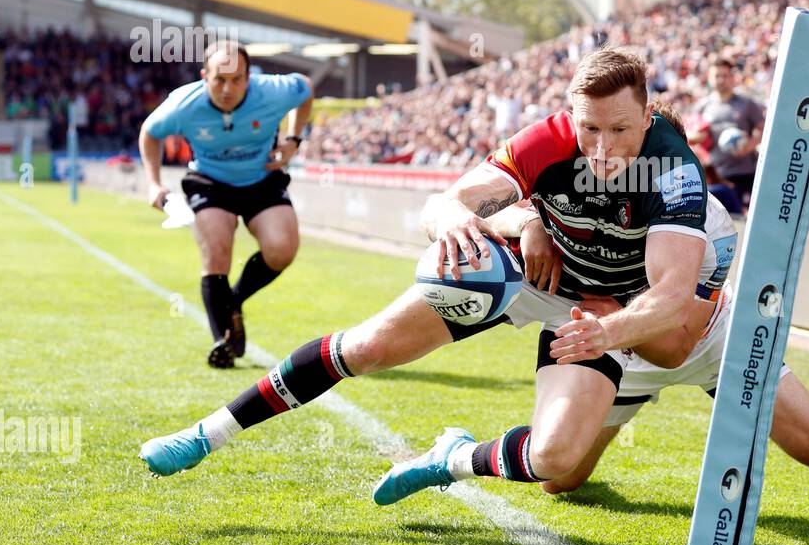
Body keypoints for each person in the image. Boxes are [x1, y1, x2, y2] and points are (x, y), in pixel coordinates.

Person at [377, 112, 809, 532]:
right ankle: (463, 449)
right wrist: (530, 224)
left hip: (699, 339)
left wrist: (616, 325)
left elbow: (677, 327)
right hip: (625, 345)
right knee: (563, 480)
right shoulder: (603, 195)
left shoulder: (695, 215)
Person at [139, 47, 709, 495]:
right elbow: (444, 203)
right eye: (590, 128)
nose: (602, 148)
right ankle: (206, 433)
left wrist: (608, 328)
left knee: (557, 465)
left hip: (601, 312)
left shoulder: (674, 166)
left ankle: (451, 457)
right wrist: (462, 218)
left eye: (620, 130)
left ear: (647, 114)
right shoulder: (549, 139)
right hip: (527, 278)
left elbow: (672, 294)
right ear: (570, 114)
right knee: (366, 348)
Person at [139, 41, 313, 367]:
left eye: (237, 79)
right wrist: (153, 182)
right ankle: (224, 342)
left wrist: (293, 139)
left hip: (262, 178)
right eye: (219, 80)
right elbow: (150, 132)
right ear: (205, 76)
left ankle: (232, 301)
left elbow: (306, 89)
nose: (228, 89)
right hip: (210, 182)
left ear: (249, 77)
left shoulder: (274, 91)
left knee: (282, 249)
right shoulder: (183, 104)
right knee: (217, 250)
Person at [698, 57, 764, 208]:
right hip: (716, 175)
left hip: (744, 173)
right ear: (710, 78)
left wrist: (748, 146)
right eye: (717, 76)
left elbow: (763, 128)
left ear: (732, 78)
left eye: (725, 76)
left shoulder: (747, 104)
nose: (721, 80)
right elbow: (691, 133)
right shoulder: (703, 106)